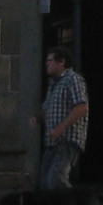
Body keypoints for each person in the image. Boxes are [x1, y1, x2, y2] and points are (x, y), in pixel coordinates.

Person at [36, 48, 89, 191]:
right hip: (51, 142)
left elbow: (82, 107)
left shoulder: (73, 79)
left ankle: (75, 204)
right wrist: (37, 118)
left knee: (56, 180)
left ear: (62, 62)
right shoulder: (53, 84)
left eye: (50, 60)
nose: (47, 64)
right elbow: (47, 109)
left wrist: (61, 127)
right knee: (45, 184)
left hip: (67, 141)